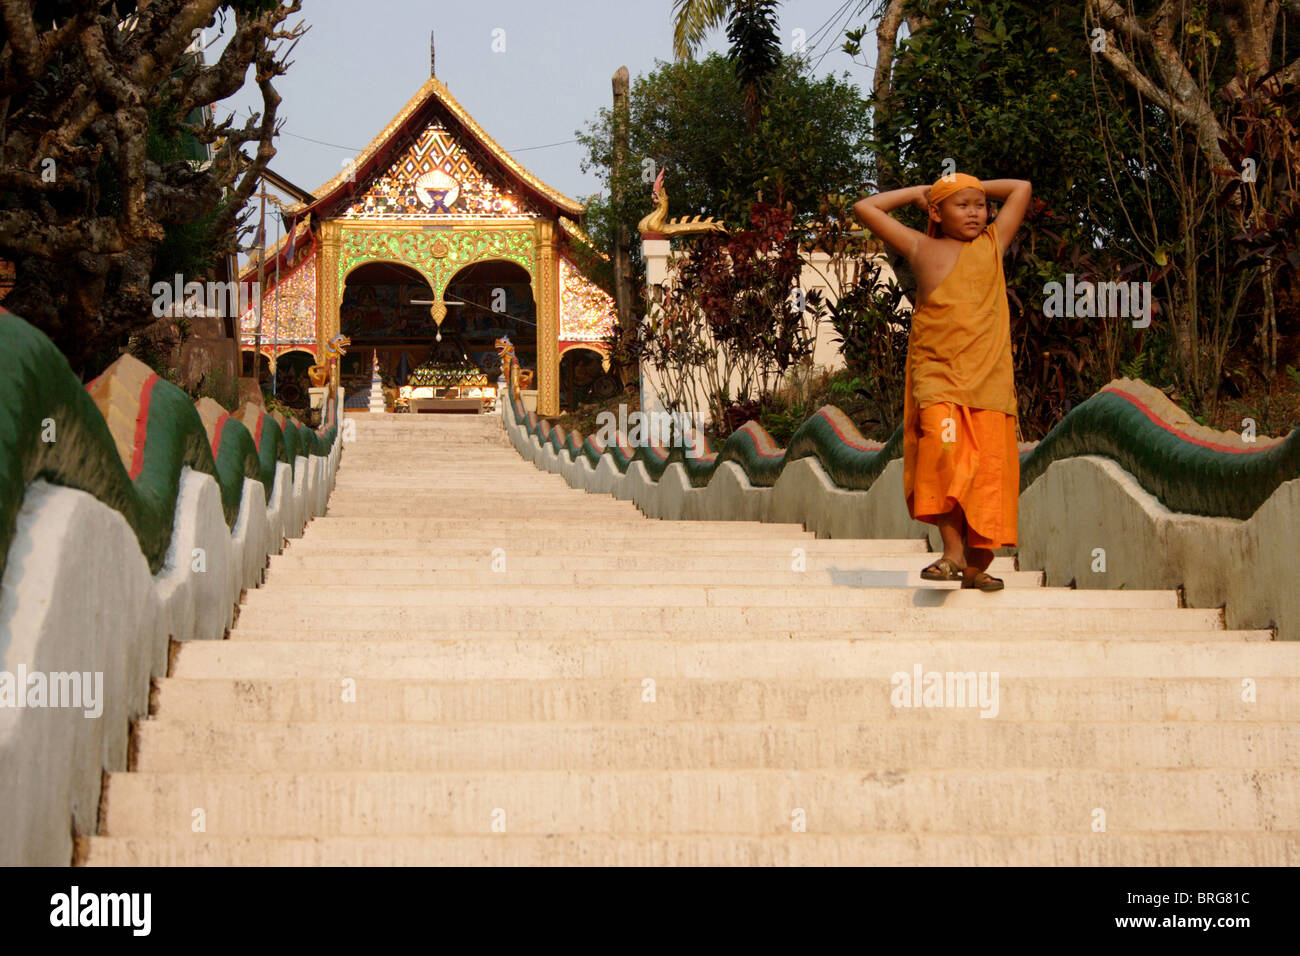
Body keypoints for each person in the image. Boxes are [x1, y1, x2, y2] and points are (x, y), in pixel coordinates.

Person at [853, 173, 1032, 590]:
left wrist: (967, 185)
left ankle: (975, 565)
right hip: (938, 380)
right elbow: (866, 208)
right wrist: (923, 193)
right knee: (945, 460)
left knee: (987, 474)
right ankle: (952, 553)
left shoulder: (992, 244)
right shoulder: (920, 246)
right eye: (961, 205)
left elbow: (1021, 187)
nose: (975, 212)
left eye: (980, 204)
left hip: (988, 384)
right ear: (936, 212)